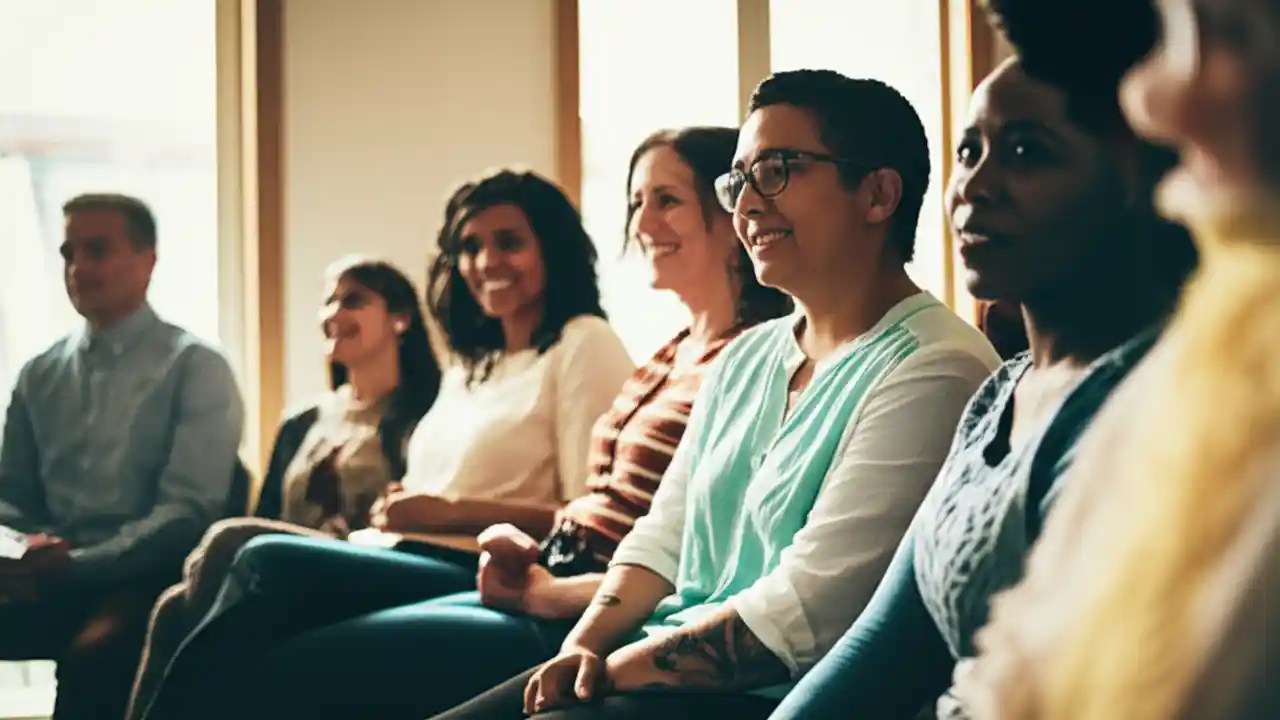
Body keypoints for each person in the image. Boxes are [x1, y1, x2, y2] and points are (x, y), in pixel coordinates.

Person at [434, 70, 1001, 720]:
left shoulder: (936, 367)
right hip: (650, 665)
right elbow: (663, 535)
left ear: (877, 194)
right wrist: (583, 644)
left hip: (769, 697)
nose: (747, 205)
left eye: (778, 171)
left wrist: (609, 671)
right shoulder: (746, 357)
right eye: (739, 181)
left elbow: (808, 611)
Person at [208, 126, 795, 720]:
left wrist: (528, 573)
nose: (641, 223)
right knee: (264, 612)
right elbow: (612, 512)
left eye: (666, 200)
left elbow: (703, 555)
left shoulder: (742, 358)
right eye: (636, 203)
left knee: (269, 585)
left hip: (570, 590)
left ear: (731, 210)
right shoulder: (668, 356)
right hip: (545, 575)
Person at [768, 5, 1198, 716]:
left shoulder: (1150, 402)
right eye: (969, 153)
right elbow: (883, 647)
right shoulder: (999, 394)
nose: (975, 186)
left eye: (1027, 153)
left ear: (1133, 179)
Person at [139, 169, 635, 719]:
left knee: (255, 553)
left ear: (552, 249)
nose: (486, 261)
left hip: (478, 565)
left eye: (509, 242)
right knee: (189, 600)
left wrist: (448, 510)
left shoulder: (582, 343)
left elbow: (588, 521)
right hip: (399, 547)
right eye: (470, 247)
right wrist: (407, 502)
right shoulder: (471, 366)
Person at [951, 1, 1280, 718]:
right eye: (967, 152)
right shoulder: (1194, 361)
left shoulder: (1141, 377)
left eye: (1235, 33)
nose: (1154, 99)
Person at [125, 255, 440, 720]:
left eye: (353, 300)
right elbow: (269, 514)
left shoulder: (429, 414)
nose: (333, 313)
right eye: (328, 301)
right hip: (286, 565)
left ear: (401, 318)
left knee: (229, 540)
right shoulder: (302, 421)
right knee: (173, 606)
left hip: (365, 566)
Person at [0, 193, 244, 720]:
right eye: (68, 253)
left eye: (97, 250)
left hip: (146, 577)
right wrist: (18, 553)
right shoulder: (38, 373)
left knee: (100, 656)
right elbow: (10, 495)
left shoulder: (196, 367)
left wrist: (76, 565)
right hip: (42, 574)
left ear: (147, 260)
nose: (77, 268)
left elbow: (187, 513)